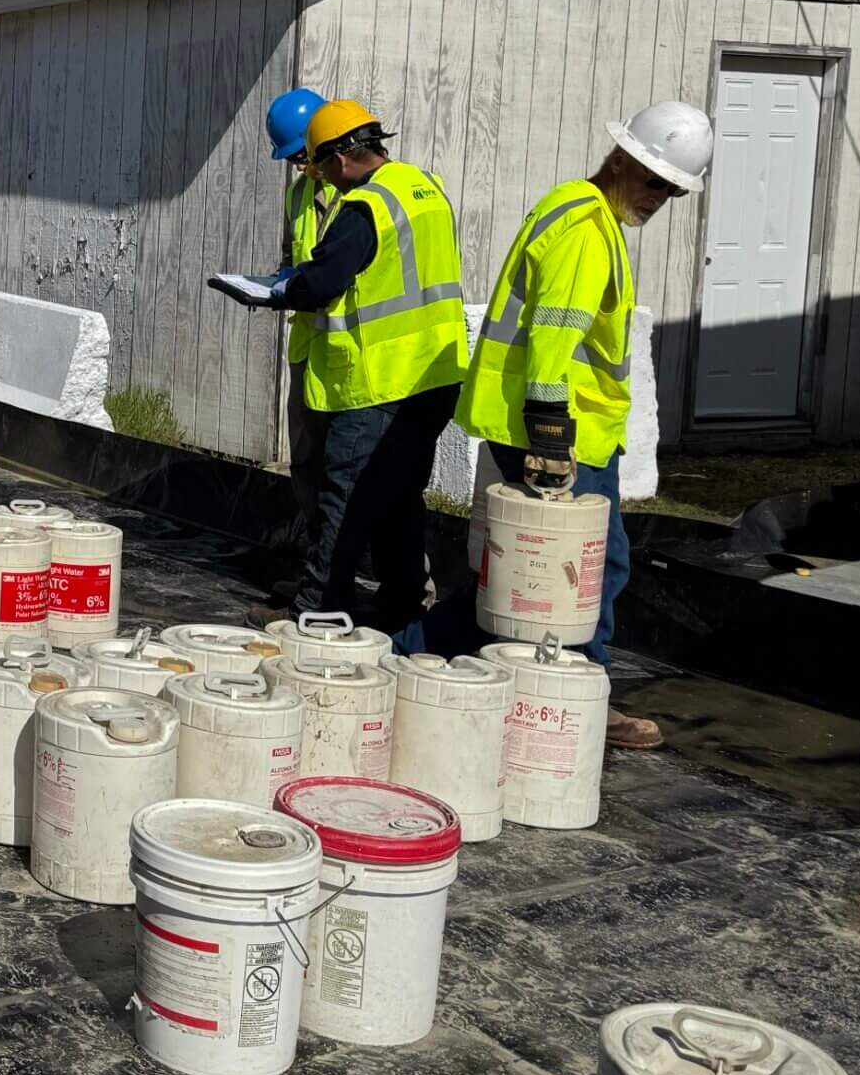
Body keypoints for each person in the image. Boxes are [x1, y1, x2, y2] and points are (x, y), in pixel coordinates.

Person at [400, 102, 714, 724]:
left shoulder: (580, 210)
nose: (661, 197)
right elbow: (552, 336)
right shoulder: (586, 230)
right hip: (555, 434)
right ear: (620, 159)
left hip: (555, 429)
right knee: (583, 570)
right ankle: (577, 692)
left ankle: (421, 652)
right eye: (655, 181)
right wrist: (550, 436)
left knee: (531, 566)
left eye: (673, 190)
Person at [262, 99, 469, 630]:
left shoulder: (365, 208)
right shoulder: (424, 188)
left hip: (383, 379)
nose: (323, 178)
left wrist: (279, 292)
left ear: (339, 157)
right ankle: (401, 601)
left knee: (345, 496)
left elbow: (324, 281)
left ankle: (316, 608)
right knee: (399, 493)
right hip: (436, 376)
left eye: (321, 165)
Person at [265, 87, 332, 554]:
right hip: (308, 346)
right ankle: (317, 562)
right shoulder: (299, 193)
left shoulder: (359, 195)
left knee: (356, 470)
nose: (298, 166)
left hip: (350, 352)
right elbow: (293, 256)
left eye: (302, 155)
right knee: (306, 460)